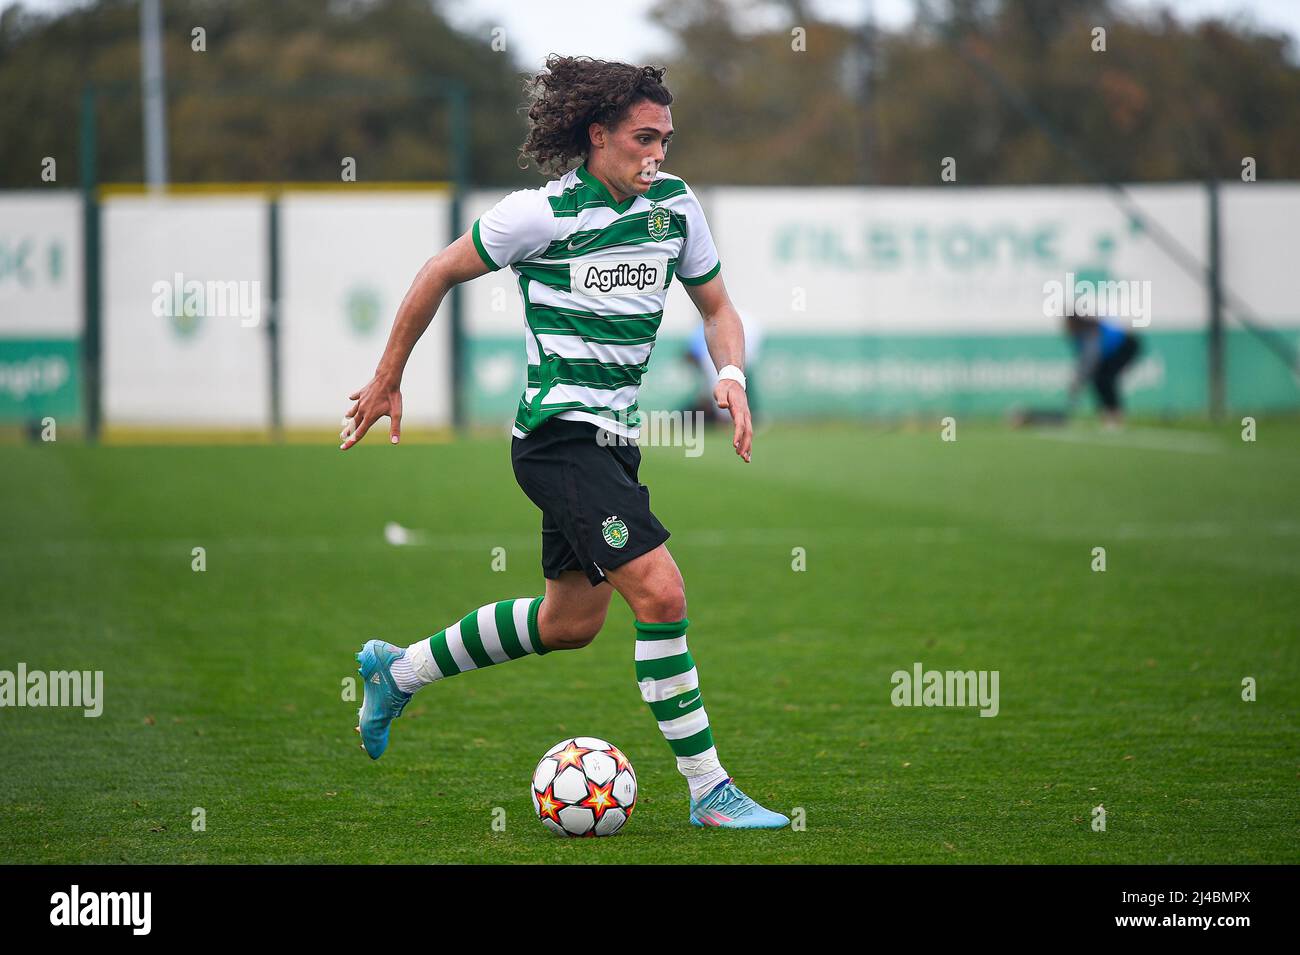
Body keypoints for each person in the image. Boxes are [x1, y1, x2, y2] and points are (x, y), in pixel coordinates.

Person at [339, 56, 787, 830]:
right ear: (598, 134)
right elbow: (438, 271)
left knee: (569, 624)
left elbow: (717, 308)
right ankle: (710, 788)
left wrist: (733, 375)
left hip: (613, 442)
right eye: (643, 139)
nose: (658, 155)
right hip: (557, 438)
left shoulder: (676, 208)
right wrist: (386, 379)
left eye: (666, 140)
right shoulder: (539, 215)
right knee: (662, 591)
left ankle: (397, 669)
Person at [1065, 309, 1141, 427]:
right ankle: (1109, 414)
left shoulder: (1088, 331)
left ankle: (1115, 416)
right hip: (1115, 350)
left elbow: (1090, 359)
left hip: (1126, 346)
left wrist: (1078, 381)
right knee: (1100, 379)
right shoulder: (1082, 333)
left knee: (1104, 378)